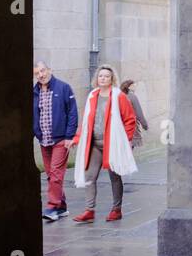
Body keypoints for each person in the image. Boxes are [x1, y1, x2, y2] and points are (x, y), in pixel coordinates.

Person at [68, 65, 138, 223]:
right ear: (97, 79)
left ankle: (116, 209)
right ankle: (89, 211)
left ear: (112, 79)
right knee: (89, 176)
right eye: (100, 76)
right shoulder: (92, 95)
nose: (103, 78)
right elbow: (86, 121)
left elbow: (130, 119)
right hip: (94, 144)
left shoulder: (118, 96)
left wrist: (125, 141)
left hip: (112, 144)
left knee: (114, 176)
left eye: (106, 76)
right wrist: (77, 138)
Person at [33, 61, 78, 222]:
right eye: (37, 73)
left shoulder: (63, 88)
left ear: (50, 70)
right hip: (44, 140)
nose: (41, 75)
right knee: (52, 175)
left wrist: (69, 136)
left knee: (56, 174)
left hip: (61, 139)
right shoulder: (34, 92)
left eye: (43, 71)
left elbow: (72, 113)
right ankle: (62, 207)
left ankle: (52, 207)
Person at [120, 79, 149, 149]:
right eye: (134, 85)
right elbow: (139, 114)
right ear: (129, 87)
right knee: (129, 151)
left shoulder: (119, 95)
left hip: (120, 127)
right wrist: (145, 125)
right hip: (131, 127)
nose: (135, 86)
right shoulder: (132, 96)